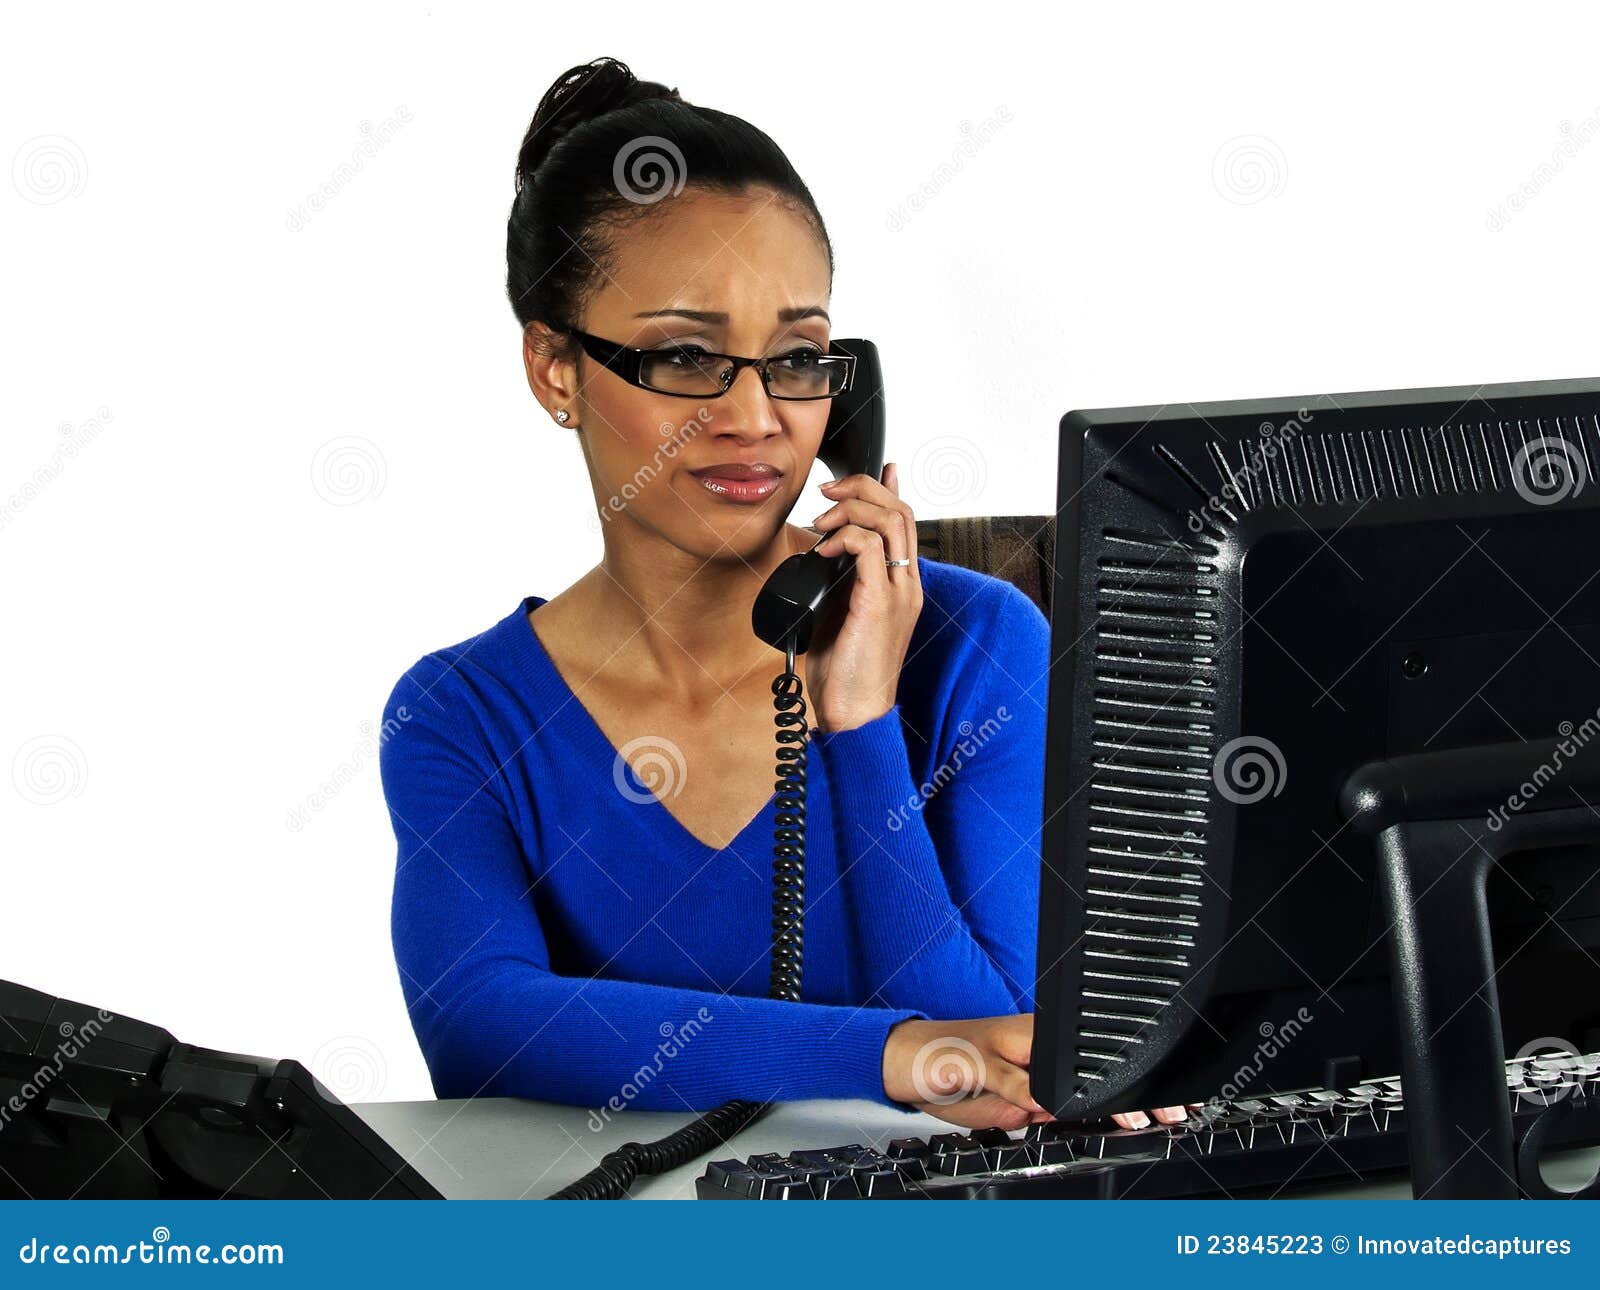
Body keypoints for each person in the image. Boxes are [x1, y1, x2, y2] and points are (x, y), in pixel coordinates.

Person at [379, 56, 1189, 1132]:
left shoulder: (980, 645)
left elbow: (1012, 1058)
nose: (758, 417)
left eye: (799, 357)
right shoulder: (460, 715)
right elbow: (484, 1029)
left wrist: (857, 725)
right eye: (684, 356)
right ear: (554, 369)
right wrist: (887, 1054)